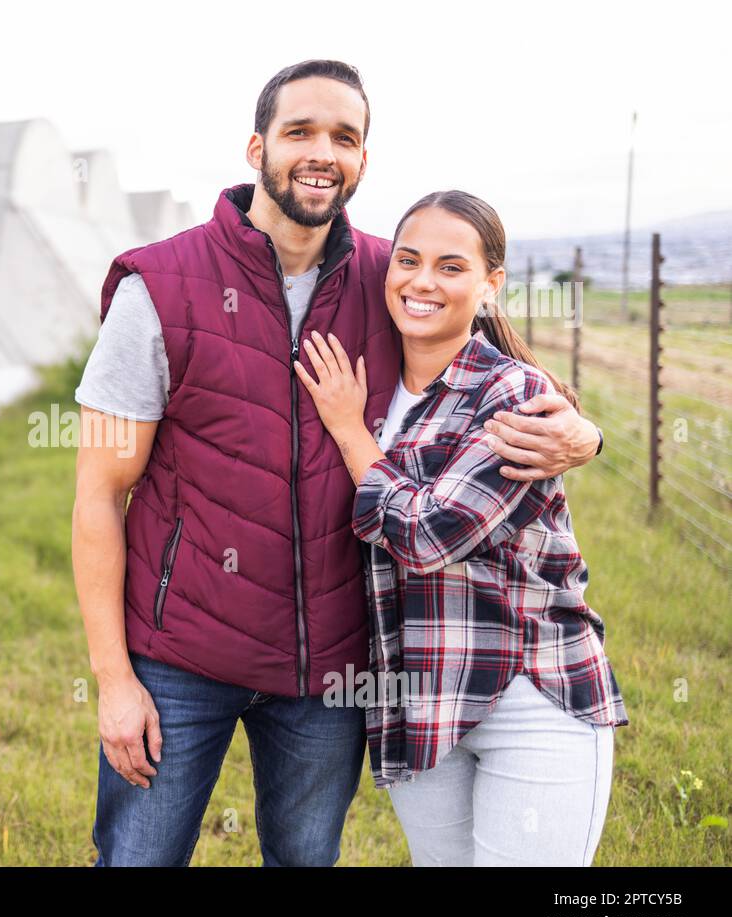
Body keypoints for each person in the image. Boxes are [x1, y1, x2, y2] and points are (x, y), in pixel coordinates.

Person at [71, 59, 606, 866]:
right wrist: (114, 678)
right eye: (300, 132)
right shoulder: (161, 286)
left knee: (304, 859)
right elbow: (99, 495)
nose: (322, 152)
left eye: (344, 137)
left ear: (363, 159)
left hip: (331, 669)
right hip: (179, 655)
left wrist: (585, 432)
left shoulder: (393, 278)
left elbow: (491, 360)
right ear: (256, 147)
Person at [293, 189, 628, 866]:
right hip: (418, 697)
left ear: (489, 286)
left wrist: (351, 432)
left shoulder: (511, 393)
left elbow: (428, 534)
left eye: (450, 267)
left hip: (528, 692)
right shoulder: (372, 376)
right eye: (408, 260)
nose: (421, 282)